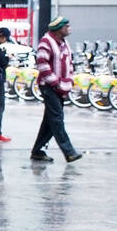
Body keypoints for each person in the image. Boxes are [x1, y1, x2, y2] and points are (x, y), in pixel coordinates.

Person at [31, 15, 83, 163]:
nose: (69, 28)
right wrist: (56, 83)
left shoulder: (64, 43)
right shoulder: (46, 42)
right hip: (49, 86)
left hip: (61, 86)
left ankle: (38, 151)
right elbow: (42, 64)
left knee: (50, 120)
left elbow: (69, 63)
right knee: (57, 119)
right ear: (59, 28)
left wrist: (68, 82)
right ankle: (69, 152)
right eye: (66, 26)